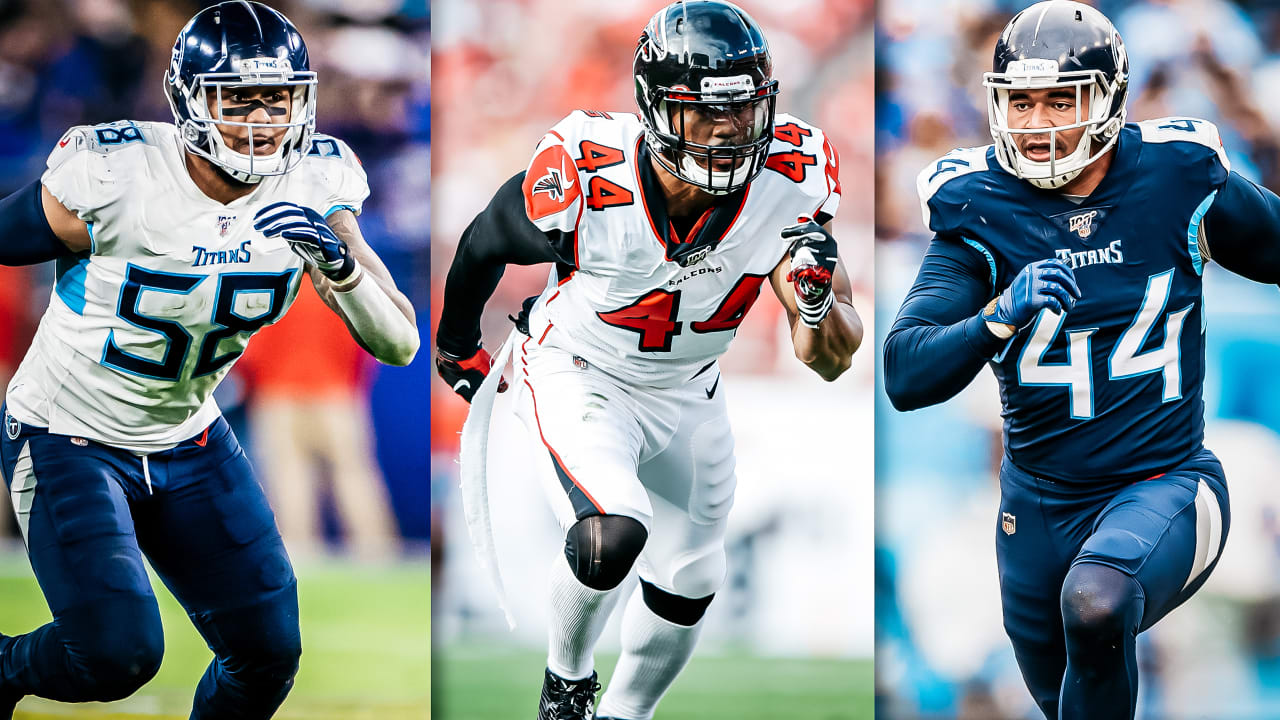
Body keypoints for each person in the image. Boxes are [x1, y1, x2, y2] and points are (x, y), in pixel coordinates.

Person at [435, 2, 862, 718]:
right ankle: (565, 686)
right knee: (614, 527)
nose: (730, 132)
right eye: (705, 113)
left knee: (692, 578)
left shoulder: (793, 177)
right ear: (656, 108)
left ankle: (626, 714)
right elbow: (485, 240)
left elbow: (828, 361)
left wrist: (816, 307)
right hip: (581, 370)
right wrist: (456, 345)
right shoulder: (590, 171)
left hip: (689, 390)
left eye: (745, 112)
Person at [0, 2, 418, 718]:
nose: (262, 121)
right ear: (191, 101)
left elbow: (400, 343)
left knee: (267, 656)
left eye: (279, 100)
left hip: (189, 434)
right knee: (115, 654)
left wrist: (340, 266)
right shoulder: (120, 174)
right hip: (69, 431)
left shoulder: (315, 182)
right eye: (239, 101)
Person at [884, 2, 1280, 718]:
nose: (1037, 124)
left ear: (1109, 99)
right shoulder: (978, 208)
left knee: (1096, 602)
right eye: (1022, 102)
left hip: (1166, 484)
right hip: (1036, 515)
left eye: (1061, 99)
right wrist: (993, 320)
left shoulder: (1178, 176)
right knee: (1063, 688)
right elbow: (906, 374)